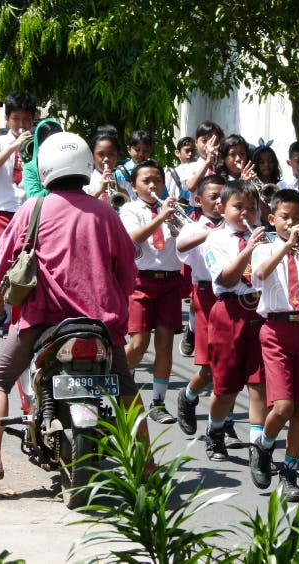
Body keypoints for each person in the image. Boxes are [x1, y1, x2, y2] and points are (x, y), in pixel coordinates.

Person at [0, 132, 146, 480]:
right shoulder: (106, 212)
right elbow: (128, 274)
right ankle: (146, 465)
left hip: (41, 321)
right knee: (125, 388)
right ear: (87, 166)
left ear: (44, 169)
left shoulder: (34, 207)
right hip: (100, 325)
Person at [250, 189, 299, 500]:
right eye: (285, 218)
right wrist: (285, 247)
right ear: (273, 219)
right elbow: (259, 274)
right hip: (276, 331)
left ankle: (289, 473)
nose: (292, 224)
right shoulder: (264, 248)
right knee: (282, 406)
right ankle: (263, 446)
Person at [201, 181, 268, 463]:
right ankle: (215, 430)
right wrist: (249, 250)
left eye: (251, 209)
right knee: (226, 388)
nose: (245, 214)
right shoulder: (215, 239)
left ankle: (257, 448)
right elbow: (226, 278)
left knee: (259, 385)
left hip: (260, 310)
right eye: (238, 207)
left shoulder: (267, 238)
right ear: (222, 209)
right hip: (228, 311)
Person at [119, 160, 184, 424]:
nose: (153, 185)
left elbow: (185, 239)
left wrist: (179, 223)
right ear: (134, 185)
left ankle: (158, 402)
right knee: (137, 344)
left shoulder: (172, 209)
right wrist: (161, 218)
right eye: (146, 180)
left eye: (157, 180)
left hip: (170, 281)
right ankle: (115, 384)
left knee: (165, 346)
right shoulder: (130, 209)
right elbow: (132, 238)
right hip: (141, 281)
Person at [174, 175, 225, 435]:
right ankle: (188, 395)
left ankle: (221, 422)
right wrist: (211, 233)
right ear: (198, 200)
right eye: (213, 197)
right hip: (205, 295)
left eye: (223, 197)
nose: (219, 202)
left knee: (230, 363)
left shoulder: (234, 225)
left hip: (231, 297)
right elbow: (181, 246)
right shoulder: (194, 226)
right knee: (208, 367)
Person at [0, 91, 36, 346]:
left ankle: (18, 323)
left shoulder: (38, 142)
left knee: (27, 272)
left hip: (29, 216)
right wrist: (12, 149)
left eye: (26, 120)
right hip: (1, 215)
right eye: (16, 119)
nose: (21, 125)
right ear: (7, 119)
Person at [21, 118, 63, 198]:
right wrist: (57, 183)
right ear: (39, 143)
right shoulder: (30, 168)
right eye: (49, 142)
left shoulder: (66, 162)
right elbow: (33, 197)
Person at [181, 121, 224, 195]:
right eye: (204, 141)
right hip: (197, 206)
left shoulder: (223, 166)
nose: (208, 145)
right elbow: (191, 187)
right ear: (196, 142)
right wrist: (208, 162)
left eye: (215, 141)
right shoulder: (189, 167)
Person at [84, 127, 123, 203]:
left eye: (111, 154)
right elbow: (83, 208)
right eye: (101, 154)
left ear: (117, 156)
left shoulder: (123, 183)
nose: (106, 159)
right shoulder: (86, 184)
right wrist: (99, 191)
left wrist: (120, 189)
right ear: (92, 156)